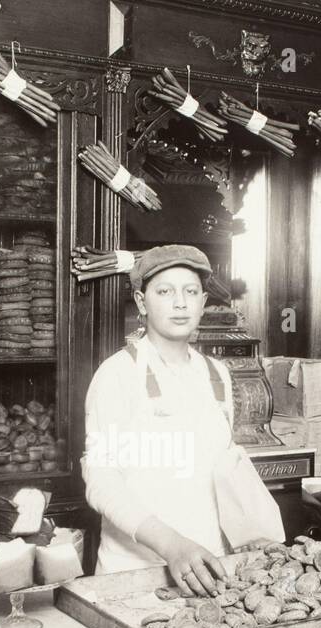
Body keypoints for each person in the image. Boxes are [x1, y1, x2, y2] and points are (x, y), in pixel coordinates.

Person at [83, 244, 246, 597]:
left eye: (190, 292)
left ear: (204, 301)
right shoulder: (117, 375)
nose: (180, 303)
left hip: (210, 573)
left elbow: (225, 473)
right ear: (142, 302)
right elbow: (102, 481)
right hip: (133, 577)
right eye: (165, 291)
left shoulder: (218, 375)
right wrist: (172, 545)